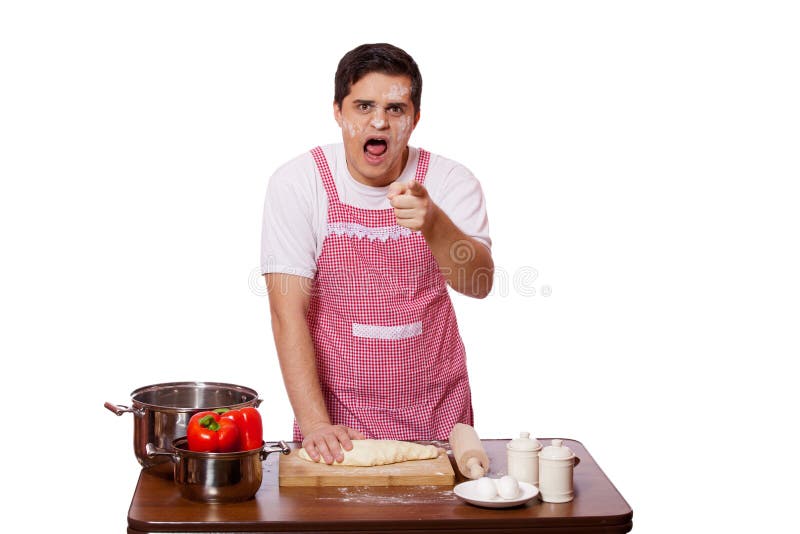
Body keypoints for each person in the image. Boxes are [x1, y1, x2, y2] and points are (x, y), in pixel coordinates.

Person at [261, 43, 493, 464]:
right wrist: (315, 424)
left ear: (415, 118)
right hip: (338, 419)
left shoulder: (450, 180)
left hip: (437, 410)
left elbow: (479, 283)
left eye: (395, 109)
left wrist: (434, 223)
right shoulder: (298, 183)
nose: (379, 122)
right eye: (363, 106)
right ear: (338, 111)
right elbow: (286, 312)